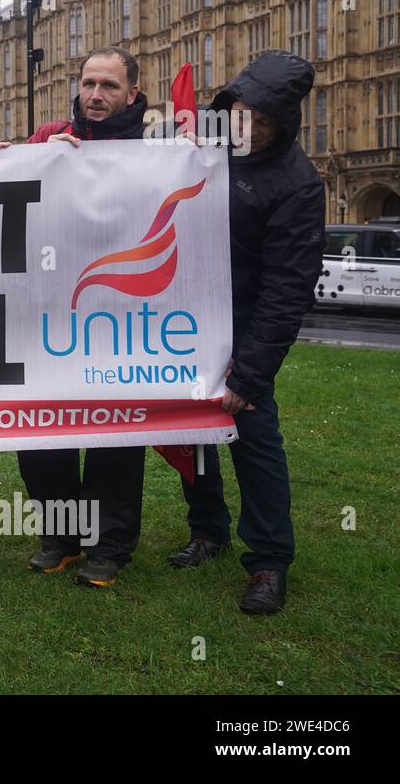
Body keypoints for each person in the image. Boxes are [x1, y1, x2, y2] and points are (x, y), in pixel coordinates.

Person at [166, 50, 324, 615]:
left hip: (246, 325)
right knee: (194, 431)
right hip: (188, 319)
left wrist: (251, 373)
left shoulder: (297, 184)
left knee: (254, 439)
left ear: (285, 123)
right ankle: (208, 529)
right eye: (241, 114)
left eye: (263, 121)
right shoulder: (204, 146)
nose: (248, 129)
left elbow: (288, 288)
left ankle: (268, 560)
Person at [0, 46, 152, 587]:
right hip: (49, 312)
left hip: (119, 314)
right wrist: (11, 157)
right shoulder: (51, 139)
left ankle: (108, 545)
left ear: (132, 93)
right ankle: (61, 537)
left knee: (115, 433)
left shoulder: (155, 149)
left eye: (108, 86)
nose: (96, 95)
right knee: (43, 429)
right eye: (88, 84)